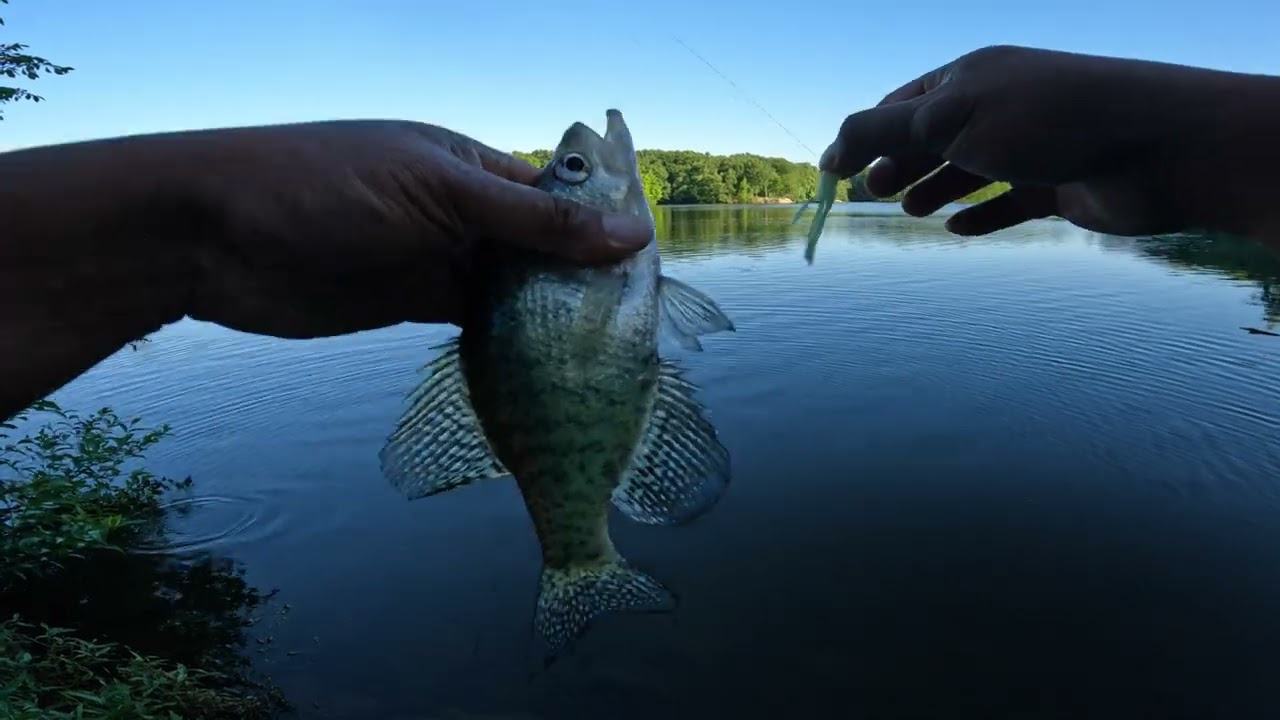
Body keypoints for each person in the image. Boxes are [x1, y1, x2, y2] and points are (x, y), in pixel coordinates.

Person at [2, 44, 1278, 422]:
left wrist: (1224, 148)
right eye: (565, 177)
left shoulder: (587, 239)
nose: (577, 178)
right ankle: (584, 555)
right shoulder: (601, 244)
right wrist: (1229, 147)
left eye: (566, 175)